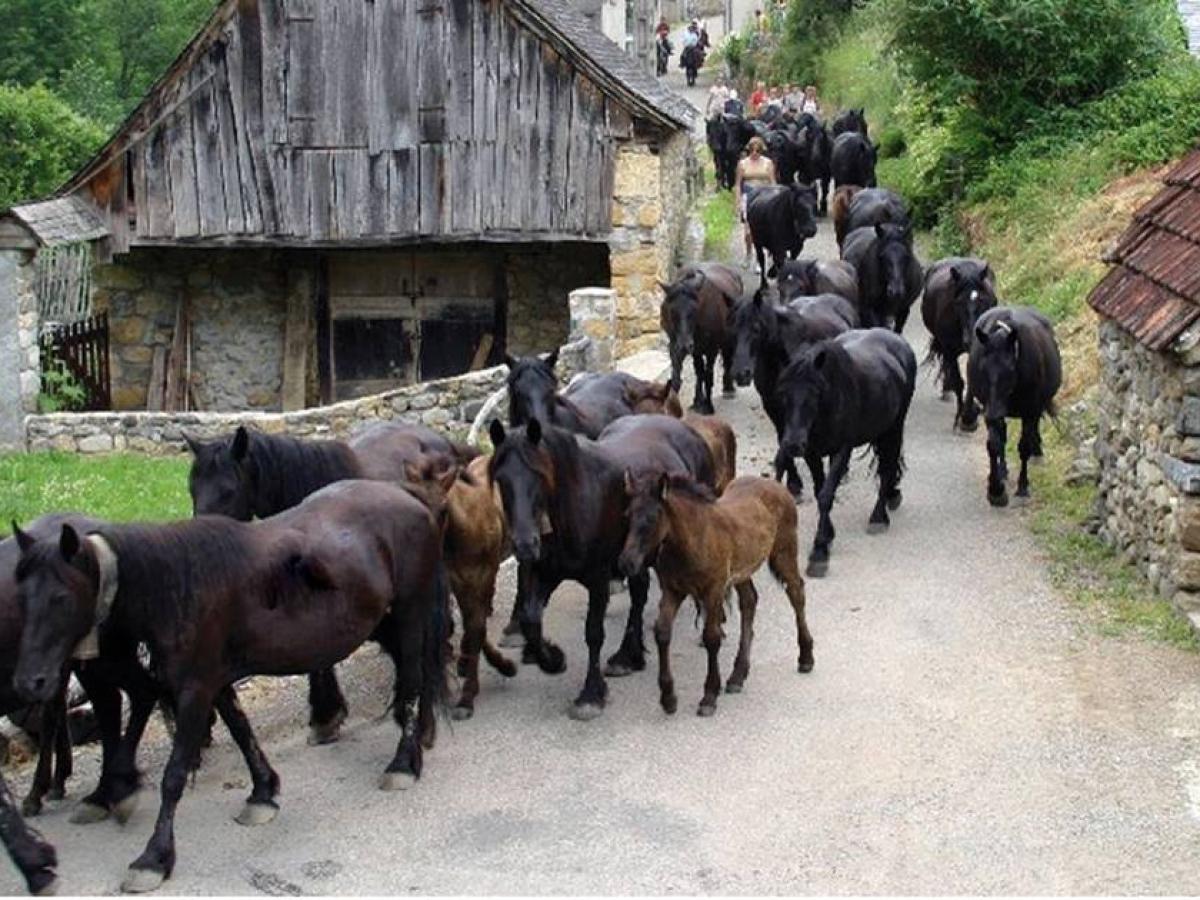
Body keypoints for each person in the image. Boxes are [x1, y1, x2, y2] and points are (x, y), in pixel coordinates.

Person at [734, 136, 777, 268]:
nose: (754, 153)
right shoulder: (742, 164)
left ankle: (765, 257)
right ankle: (749, 254)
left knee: (766, 228)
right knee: (749, 230)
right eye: (752, 150)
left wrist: (775, 198)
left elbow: (773, 182)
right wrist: (738, 200)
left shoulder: (768, 163)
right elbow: (738, 184)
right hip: (748, 196)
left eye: (757, 150)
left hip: (764, 195)